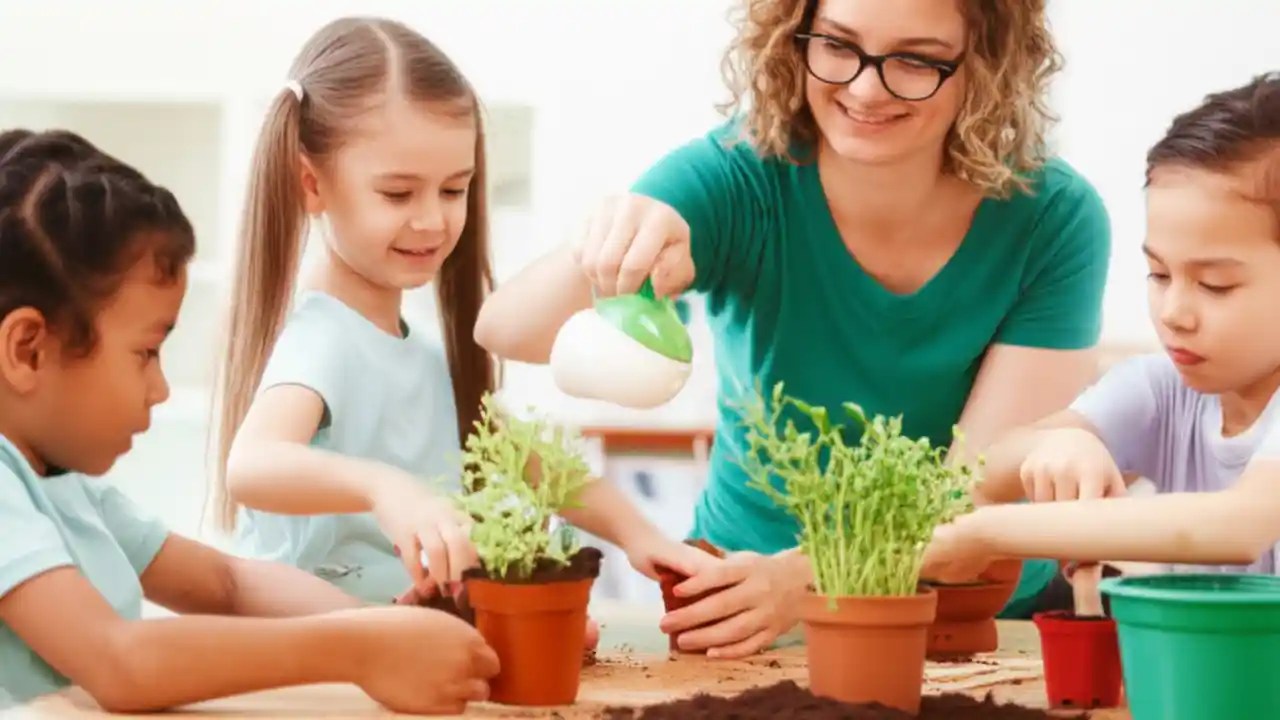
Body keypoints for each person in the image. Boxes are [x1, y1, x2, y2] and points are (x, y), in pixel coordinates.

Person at [474, 0, 1111, 657]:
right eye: (837, 45)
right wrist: (610, 241)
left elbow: (971, 490)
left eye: (915, 59)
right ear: (790, 37)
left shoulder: (1054, 219)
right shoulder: (739, 175)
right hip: (744, 601)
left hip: (971, 612)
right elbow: (507, 330)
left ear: (986, 63)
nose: (865, 88)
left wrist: (806, 580)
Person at [213, 17, 712, 617]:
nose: (432, 220)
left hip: (398, 621)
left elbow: (537, 464)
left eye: (453, 191)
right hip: (315, 631)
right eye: (398, 194)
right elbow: (251, 465)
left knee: (557, 631)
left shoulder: (418, 354)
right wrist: (386, 488)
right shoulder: (321, 339)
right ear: (311, 184)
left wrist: (642, 537)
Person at [0, 129, 498, 714]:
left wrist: (391, 627)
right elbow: (120, 662)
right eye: (146, 353)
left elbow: (227, 584)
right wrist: (358, 648)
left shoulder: (69, 492)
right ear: (28, 350)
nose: (159, 390)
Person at [922, 72, 1280, 581]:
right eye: (1159, 274)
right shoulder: (1162, 389)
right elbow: (980, 469)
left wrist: (984, 534)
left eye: (1216, 285)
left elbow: (1240, 527)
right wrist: (1056, 444)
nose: (1174, 312)